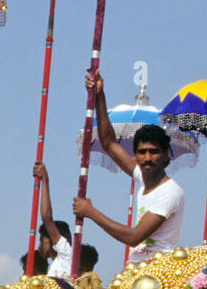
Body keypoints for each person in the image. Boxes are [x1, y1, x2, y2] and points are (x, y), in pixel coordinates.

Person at [73, 70, 184, 264]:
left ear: (166, 155)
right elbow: (108, 143)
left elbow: (134, 237)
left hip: (157, 273)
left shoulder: (171, 192)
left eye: (154, 152)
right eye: (142, 152)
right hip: (134, 269)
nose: (147, 158)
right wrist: (100, 95)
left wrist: (91, 212)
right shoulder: (142, 176)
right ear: (135, 155)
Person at [31, 163, 73, 279]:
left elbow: (46, 218)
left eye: (41, 240)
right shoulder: (54, 265)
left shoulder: (66, 253)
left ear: (51, 240)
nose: (38, 246)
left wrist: (45, 179)